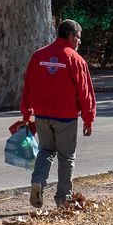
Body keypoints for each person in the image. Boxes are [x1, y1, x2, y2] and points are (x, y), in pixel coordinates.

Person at [20, 19, 96, 208]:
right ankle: (63, 198)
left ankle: (38, 182)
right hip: (66, 117)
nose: (79, 42)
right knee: (66, 156)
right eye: (78, 37)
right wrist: (88, 119)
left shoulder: (38, 56)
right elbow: (85, 92)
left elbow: (28, 86)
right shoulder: (76, 59)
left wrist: (26, 113)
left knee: (45, 151)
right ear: (70, 36)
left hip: (42, 115)